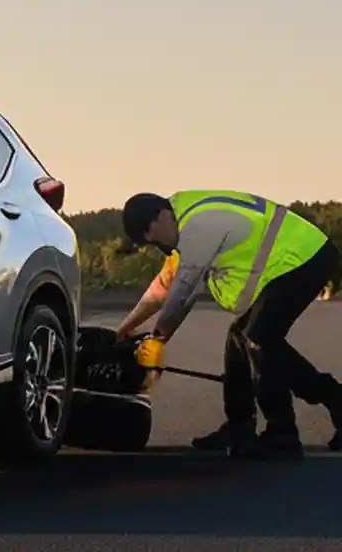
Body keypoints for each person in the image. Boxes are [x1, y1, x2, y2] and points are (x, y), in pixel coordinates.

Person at [117, 189, 342, 458]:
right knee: (241, 337)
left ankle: (282, 433)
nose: (158, 247)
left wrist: (158, 339)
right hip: (289, 264)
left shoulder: (198, 226)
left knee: (259, 339)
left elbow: (182, 294)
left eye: (151, 238)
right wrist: (124, 330)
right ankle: (241, 427)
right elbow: (162, 290)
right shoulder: (181, 223)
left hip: (306, 257)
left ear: (161, 217)